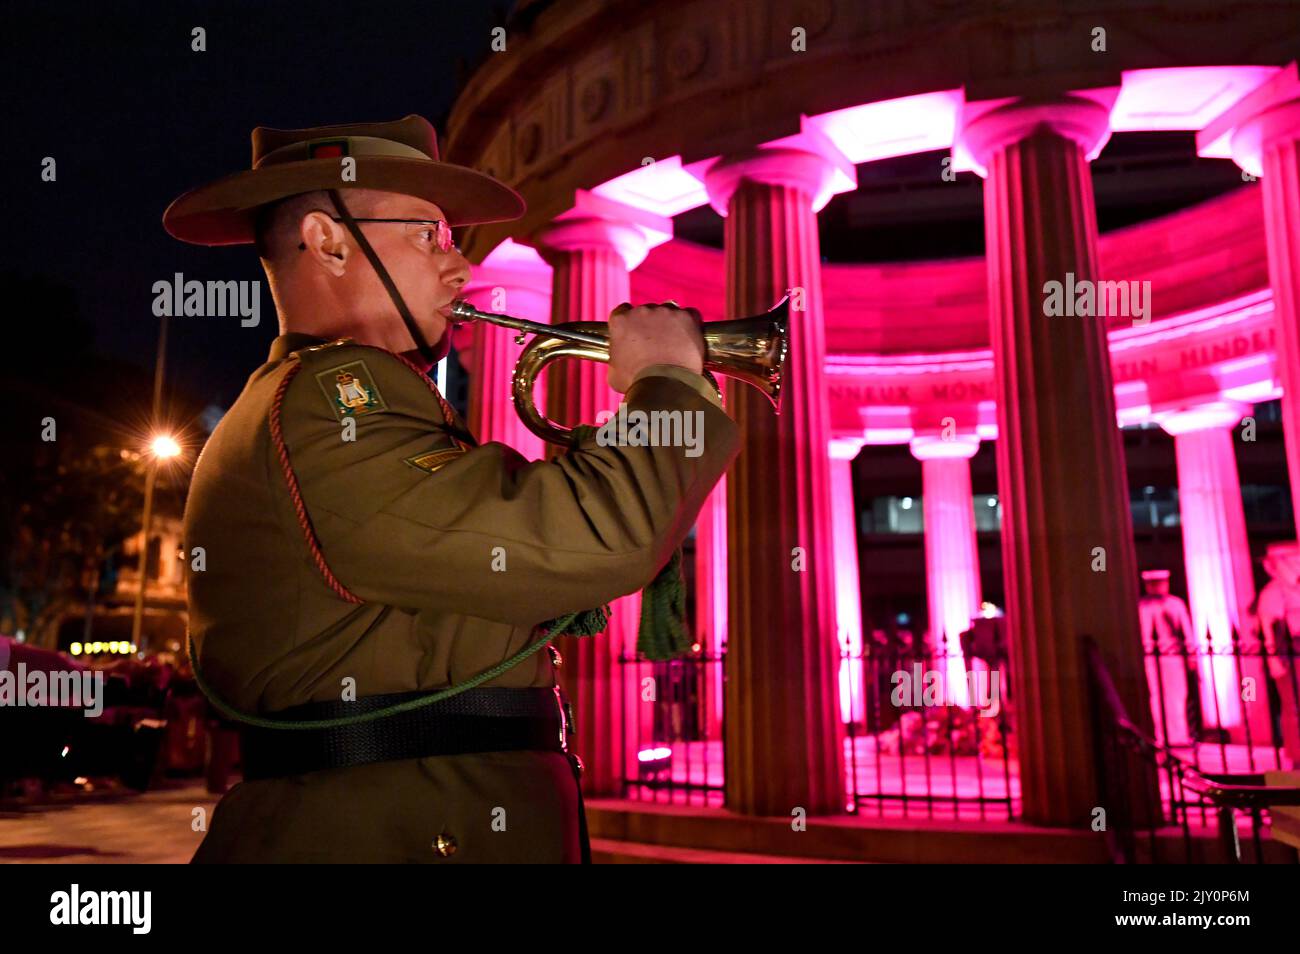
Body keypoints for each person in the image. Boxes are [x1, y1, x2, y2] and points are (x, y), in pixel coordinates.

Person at [162, 115, 739, 862]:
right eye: (428, 236)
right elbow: (598, 534)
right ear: (329, 241)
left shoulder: (354, 398)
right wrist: (667, 384)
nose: (460, 268)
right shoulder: (329, 398)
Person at [1253, 542, 1300, 768]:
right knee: (1293, 707)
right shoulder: (1272, 593)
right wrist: (1275, 660)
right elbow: (1270, 628)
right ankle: (1297, 754)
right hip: (1289, 656)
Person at [1137, 569, 1197, 746]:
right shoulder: (1142, 606)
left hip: (1173, 654)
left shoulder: (1175, 604)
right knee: (1156, 695)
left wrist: (1191, 654)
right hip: (1151, 655)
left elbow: (1186, 630)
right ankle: (1161, 735)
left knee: (1178, 694)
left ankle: (1179, 734)